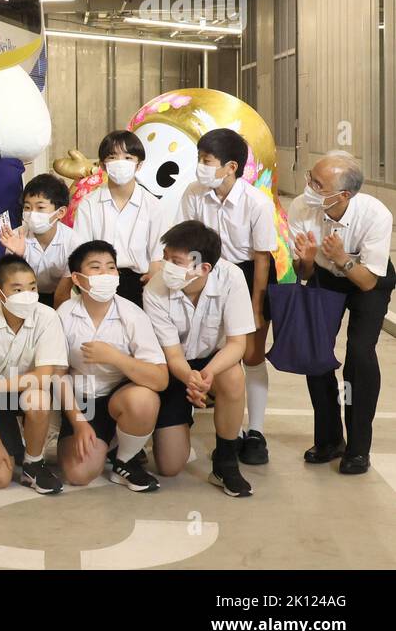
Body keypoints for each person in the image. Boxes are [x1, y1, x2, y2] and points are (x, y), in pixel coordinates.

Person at [288, 152, 396, 475]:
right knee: (316, 354)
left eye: (318, 185)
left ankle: (358, 448)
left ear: (344, 194)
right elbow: (304, 273)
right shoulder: (301, 208)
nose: (309, 187)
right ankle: (329, 439)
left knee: (359, 355)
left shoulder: (376, 215)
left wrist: (342, 257)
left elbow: (366, 282)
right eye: (310, 177)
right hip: (325, 276)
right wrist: (306, 259)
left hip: (367, 280)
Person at [178, 128, 278, 465]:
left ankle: (257, 431)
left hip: (250, 275)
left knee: (250, 355)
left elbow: (263, 258)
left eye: (207, 161)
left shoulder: (257, 202)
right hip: (206, 272)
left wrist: (255, 307)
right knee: (220, 354)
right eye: (199, 159)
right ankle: (231, 433)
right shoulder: (194, 194)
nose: (200, 167)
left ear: (231, 166)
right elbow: (188, 241)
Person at [142, 220, 255, 497]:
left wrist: (207, 376)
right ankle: (181, 415)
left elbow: (237, 344)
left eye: (176, 261)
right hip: (174, 366)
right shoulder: (155, 290)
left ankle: (225, 462)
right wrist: (189, 379)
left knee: (233, 377)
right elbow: (172, 354)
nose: (166, 266)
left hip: (212, 361)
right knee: (169, 466)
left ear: (204, 268)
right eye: (166, 257)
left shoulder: (232, 278)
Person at [56, 241, 168, 492]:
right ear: (77, 278)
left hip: (118, 398)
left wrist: (116, 357)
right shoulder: (64, 314)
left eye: (111, 267)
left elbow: (160, 379)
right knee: (79, 474)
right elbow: (58, 374)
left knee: (144, 399)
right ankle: (108, 442)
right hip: (81, 402)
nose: (106, 274)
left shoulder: (133, 314)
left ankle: (124, 459)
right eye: (95, 268)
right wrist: (78, 422)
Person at [0, 256, 68, 494]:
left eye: (32, 287)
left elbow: (43, 377)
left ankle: (34, 463)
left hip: (22, 391)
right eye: (17, 289)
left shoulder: (48, 317)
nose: (28, 294)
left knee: (39, 399)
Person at [73, 130, 166, 305]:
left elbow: (157, 257)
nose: (120, 163)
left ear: (139, 165)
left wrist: (152, 283)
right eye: (113, 157)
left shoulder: (152, 205)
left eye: (128, 158)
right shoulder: (89, 204)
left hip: (140, 282)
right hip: (99, 280)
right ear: (102, 165)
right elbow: (80, 251)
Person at [0, 172, 82, 308]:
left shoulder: (73, 242)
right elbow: (13, 285)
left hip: (58, 296)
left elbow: (62, 294)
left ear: (60, 212)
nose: (32, 213)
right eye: (27, 207)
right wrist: (18, 256)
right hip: (24, 295)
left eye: (40, 207)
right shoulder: (16, 236)